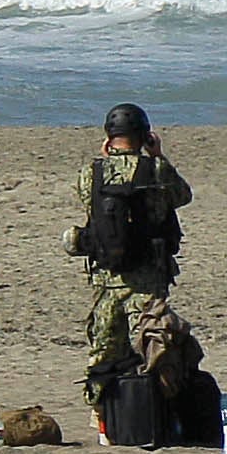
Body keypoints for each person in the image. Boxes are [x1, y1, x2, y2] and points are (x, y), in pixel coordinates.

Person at [69, 104, 188, 411]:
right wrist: (158, 155)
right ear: (145, 135)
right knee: (156, 346)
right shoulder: (156, 170)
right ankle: (164, 412)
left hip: (107, 279)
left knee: (104, 352)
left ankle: (102, 420)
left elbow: (91, 205)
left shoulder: (90, 173)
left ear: (109, 138)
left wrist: (109, 161)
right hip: (148, 279)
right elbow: (182, 196)